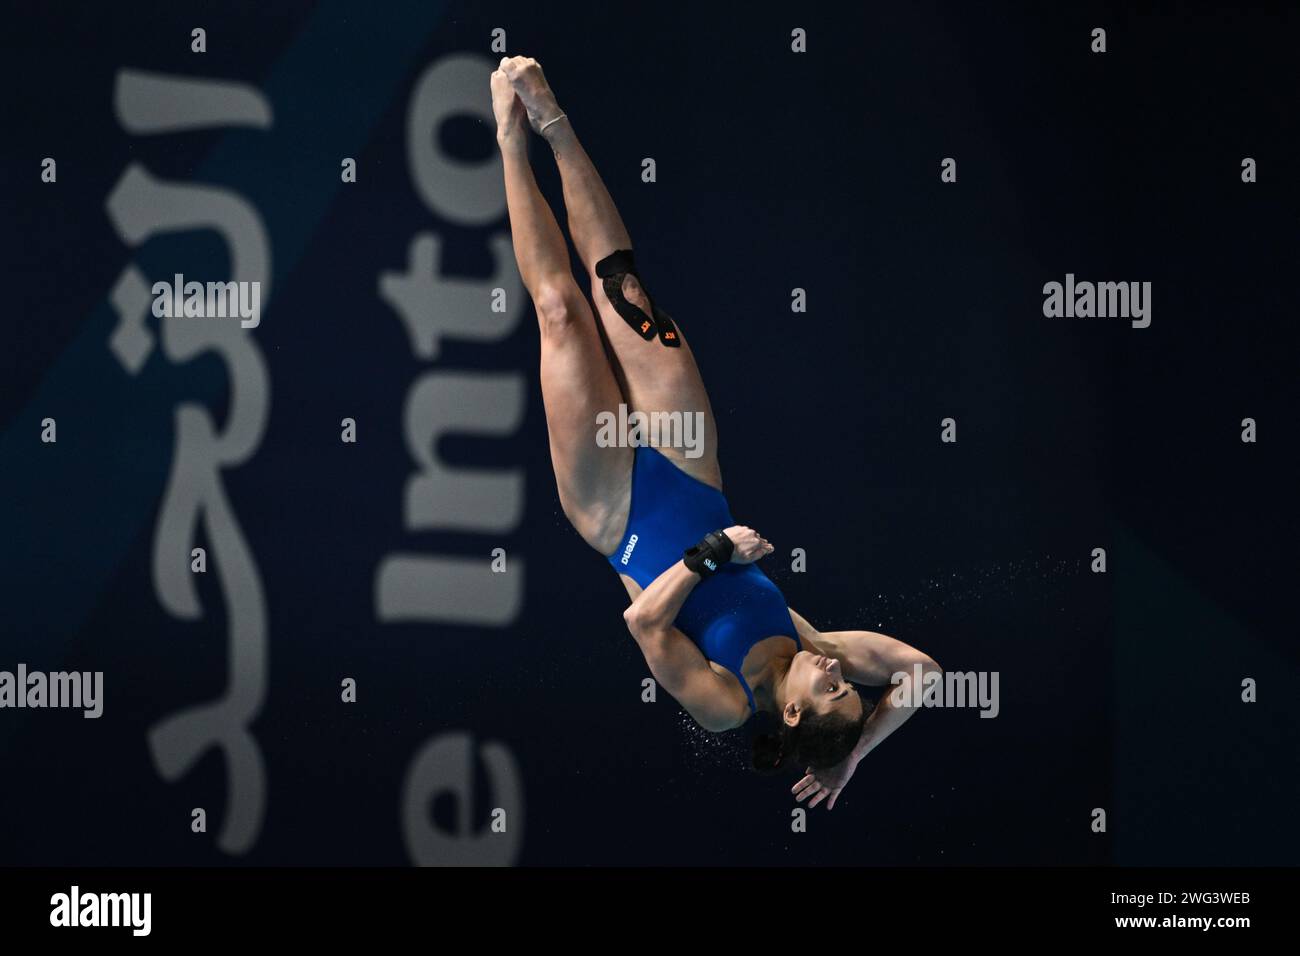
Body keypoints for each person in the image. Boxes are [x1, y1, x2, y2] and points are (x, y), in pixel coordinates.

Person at [491, 56, 941, 809]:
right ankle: (551, 120)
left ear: (792, 712)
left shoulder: (725, 704)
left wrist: (712, 555)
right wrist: (853, 752)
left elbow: (643, 621)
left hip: (617, 514)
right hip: (689, 468)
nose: (838, 673)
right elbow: (924, 672)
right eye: (847, 685)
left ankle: (507, 135)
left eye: (833, 694)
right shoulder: (816, 648)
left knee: (561, 314)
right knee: (623, 292)